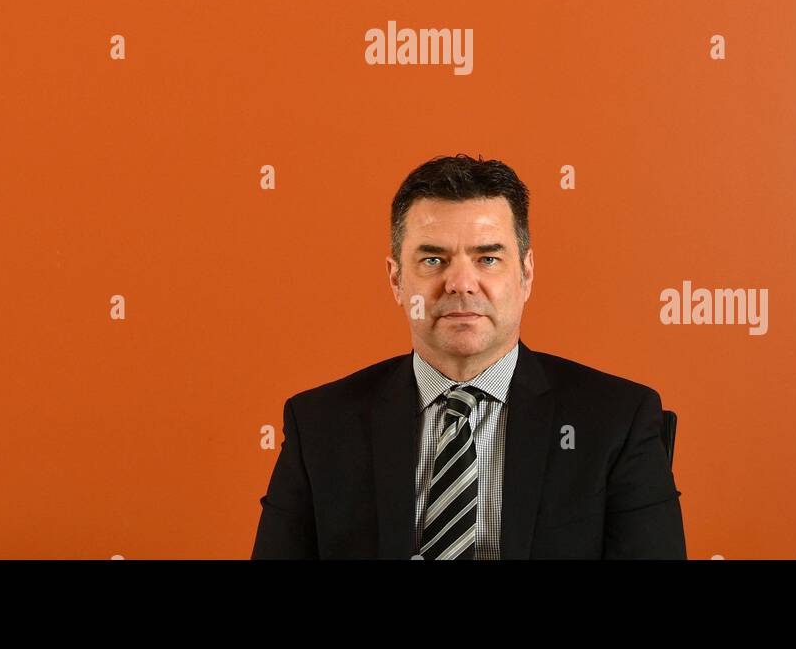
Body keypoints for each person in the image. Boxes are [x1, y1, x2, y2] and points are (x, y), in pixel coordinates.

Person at [251, 153, 687, 559]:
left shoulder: (617, 420)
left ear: (526, 274)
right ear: (396, 280)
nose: (461, 283)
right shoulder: (319, 426)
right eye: (434, 260)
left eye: (488, 258)